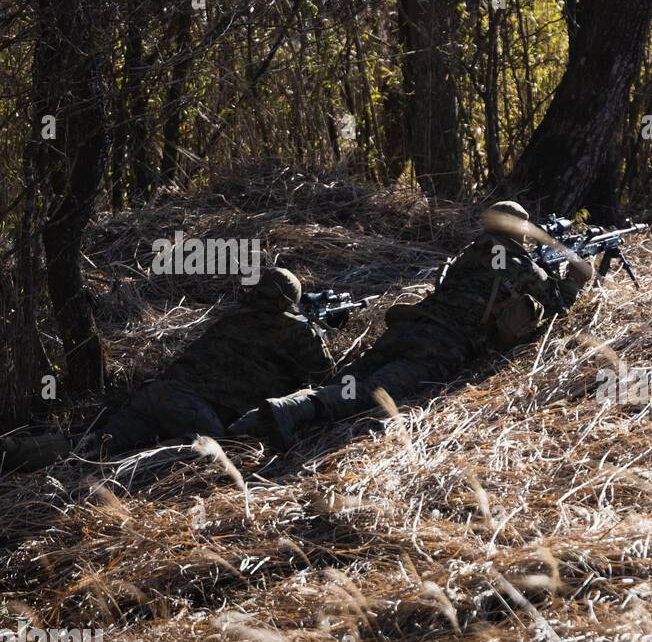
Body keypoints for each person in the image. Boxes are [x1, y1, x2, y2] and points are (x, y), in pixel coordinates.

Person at [241, 201, 594, 449]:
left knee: (345, 380)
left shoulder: (464, 257)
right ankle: (288, 410)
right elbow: (558, 305)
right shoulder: (521, 266)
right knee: (369, 394)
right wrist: (576, 278)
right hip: (438, 347)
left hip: (407, 329)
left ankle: (248, 425)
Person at [0, 267, 333, 471]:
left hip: (158, 394)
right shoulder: (294, 328)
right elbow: (325, 378)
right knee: (232, 463)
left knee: (92, 447)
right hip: (193, 411)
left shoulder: (231, 319)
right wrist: (317, 331)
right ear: (291, 300)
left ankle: (13, 453)